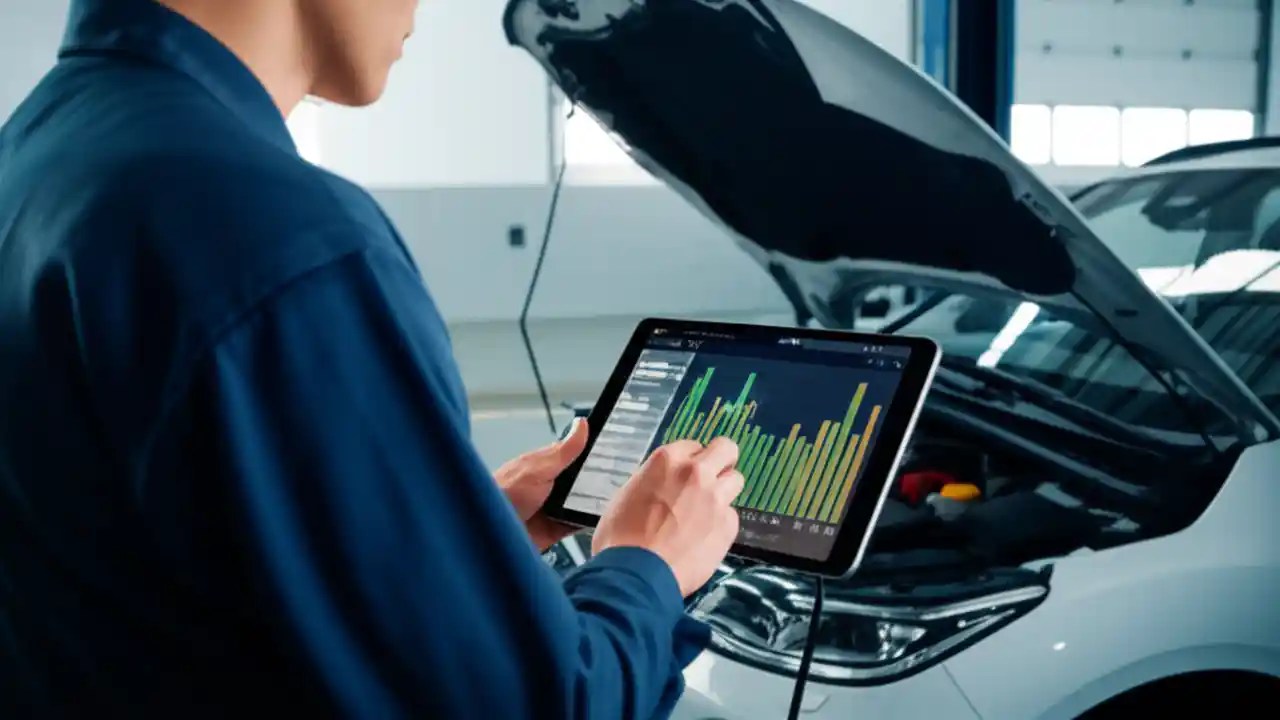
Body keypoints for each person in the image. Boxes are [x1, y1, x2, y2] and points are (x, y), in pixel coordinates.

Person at [0, 0, 745, 717]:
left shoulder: (40, 149)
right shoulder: (276, 235)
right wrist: (647, 565)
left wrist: (448, 538)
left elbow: (168, 573)